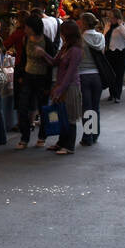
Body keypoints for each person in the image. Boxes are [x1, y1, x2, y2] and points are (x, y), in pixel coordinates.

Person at [39, 19, 84, 154]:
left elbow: (70, 73)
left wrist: (59, 89)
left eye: (63, 32)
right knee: (60, 114)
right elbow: (54, 62)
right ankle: (61, 142)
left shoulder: (76, 50)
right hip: (62, 85)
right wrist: (43, 54)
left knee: (69, 116)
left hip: (70, 87)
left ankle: (69, 145)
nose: (61, 35)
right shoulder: (66, 47)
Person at [16, 13, 49, 148]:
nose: (25, 28)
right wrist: (21, 75)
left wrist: (44, 54)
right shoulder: (26, 40)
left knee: (43, 108)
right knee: (22, 107)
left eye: (27, 26)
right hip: (28, 76)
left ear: (33, 27)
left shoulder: (46, 41)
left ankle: (42, 136)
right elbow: (23, 58)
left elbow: (51, 60)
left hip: (42, 77)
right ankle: (25, 137)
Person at [78, 12, 106, 146]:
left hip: (83, 74)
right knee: (95, 107)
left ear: (83, 23)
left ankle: (87, 136)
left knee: (87, 107)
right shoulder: (101, 37)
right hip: (97, 75)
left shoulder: (80, 39)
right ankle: (95, 134)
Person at [105, 10, 125, 103]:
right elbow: (105, 36)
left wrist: (120, 26)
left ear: (117, 17)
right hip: (109, 52)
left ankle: (117, 95)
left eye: (112, 17)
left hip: (120, 52)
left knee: (119, 74)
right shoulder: (108, 25)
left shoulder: (124, 25)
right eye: (110, 17)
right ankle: (111, 93)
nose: (111, 19)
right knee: (110, 74)